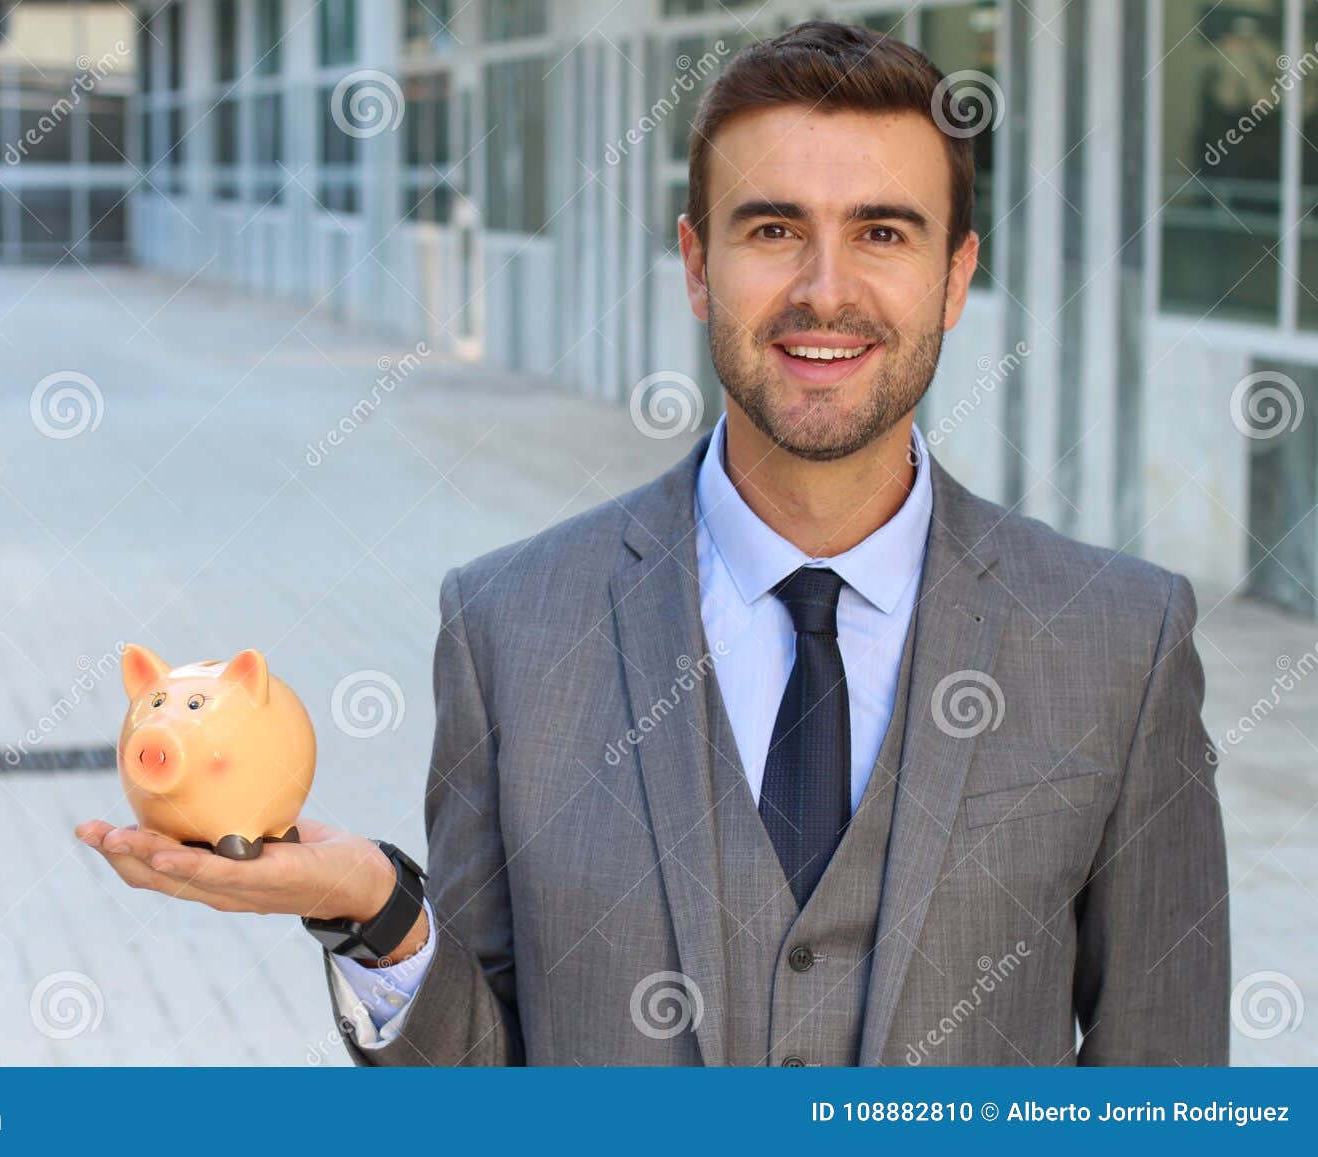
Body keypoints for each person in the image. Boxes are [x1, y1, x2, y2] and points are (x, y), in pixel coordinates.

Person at [77, 21, 1229, 1066]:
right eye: (772, 228)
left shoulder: (1119, 644)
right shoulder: (509, 628)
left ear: (954, 278)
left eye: (882, 232)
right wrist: (379, 910)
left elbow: (1166, 1085)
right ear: (694, 264)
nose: (824, 292)